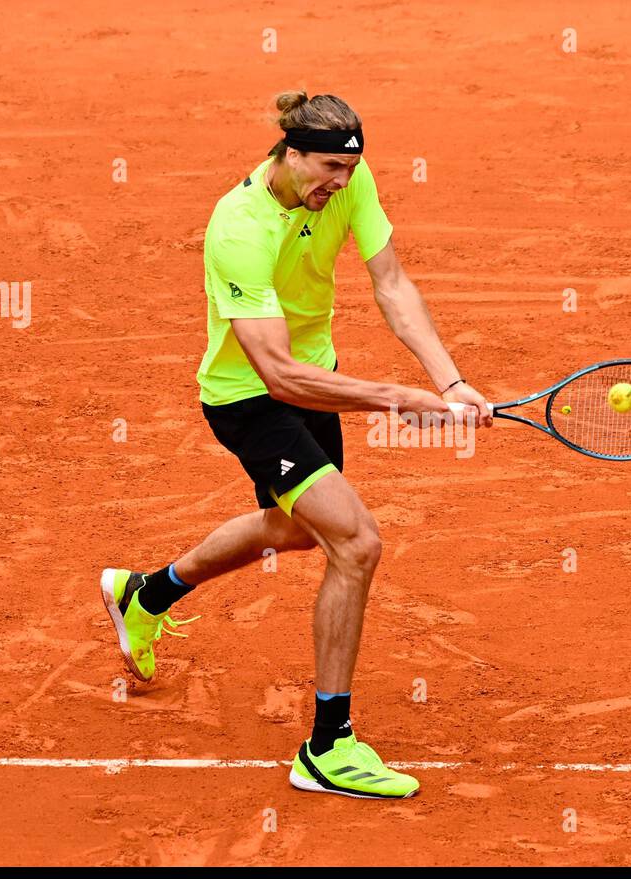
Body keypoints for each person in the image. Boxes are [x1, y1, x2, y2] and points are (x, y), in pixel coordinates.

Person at [101, 90, 492, 799]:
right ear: (287, 152)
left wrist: (450, 380)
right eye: (325, 170)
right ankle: (327, 746)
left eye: (348, 171)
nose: (338, 185)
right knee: (357, 542)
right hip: (253, 399)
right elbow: (276, 374)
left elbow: (393, 283)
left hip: (320, 379)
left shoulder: (349, 178)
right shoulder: (239, 227)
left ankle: (146, 594)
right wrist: (399, 399)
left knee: (297, 529)